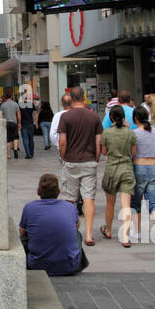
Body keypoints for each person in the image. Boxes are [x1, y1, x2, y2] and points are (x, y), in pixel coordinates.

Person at [57, 87, 103, 246]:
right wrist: (96, 157)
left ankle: (70, 231)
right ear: (83, 97)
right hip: (89, 160)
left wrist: (63, 156)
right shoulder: (94, 116)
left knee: (69, 199)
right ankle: (89, 234)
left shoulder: (65, 117)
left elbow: (62, 141)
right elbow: (99, 141)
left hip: (71, 161)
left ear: (70, 98)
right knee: (88, 198)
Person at [18, 173, 87, 276]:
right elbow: (76, 225)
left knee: (26, 236)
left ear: (38, 191)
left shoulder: (29, 207)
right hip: (69, 266)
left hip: (37, 266)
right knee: (77, 234)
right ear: (58, 192)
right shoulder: (69, 207)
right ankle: (78, 261)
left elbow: (21, 232)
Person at [99, 104, 136, 247]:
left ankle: (108, 230)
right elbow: (133, 153)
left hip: (111, 170)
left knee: (110, 203)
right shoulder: (130, 133)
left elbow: (103, 151)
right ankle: (125, 237)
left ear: (111, 118)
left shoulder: (107, 133)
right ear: (124, 118)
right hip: (127, 169)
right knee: (125, 204)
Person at [131, 105, 155, 243]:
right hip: (153, 167)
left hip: (139, 167)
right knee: (154, 202)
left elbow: (132, 152)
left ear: (135, 118)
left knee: (136, 201)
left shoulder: (134, 133)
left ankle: (137, 231)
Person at [0, 92, 21, 160]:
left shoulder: (3, 105)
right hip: (14, 123)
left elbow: (1, 115)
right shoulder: (15, 104)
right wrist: (19, 123)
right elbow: (18, 115)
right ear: (11, 96)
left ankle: (9, 155)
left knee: (8, 139)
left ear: (5, 97)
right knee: (15, 137)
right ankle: (15, 148)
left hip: (6, 123)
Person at [18, 84, 36, 159]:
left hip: (24, 124)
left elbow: (19, 115)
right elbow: (35, 114)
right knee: (31, 139)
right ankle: (31, 153)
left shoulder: (20, 104)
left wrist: (19, 123)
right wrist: (36, 122)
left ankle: (28, 154)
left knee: (25, 139)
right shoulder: (31, 104)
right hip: (31, 123)